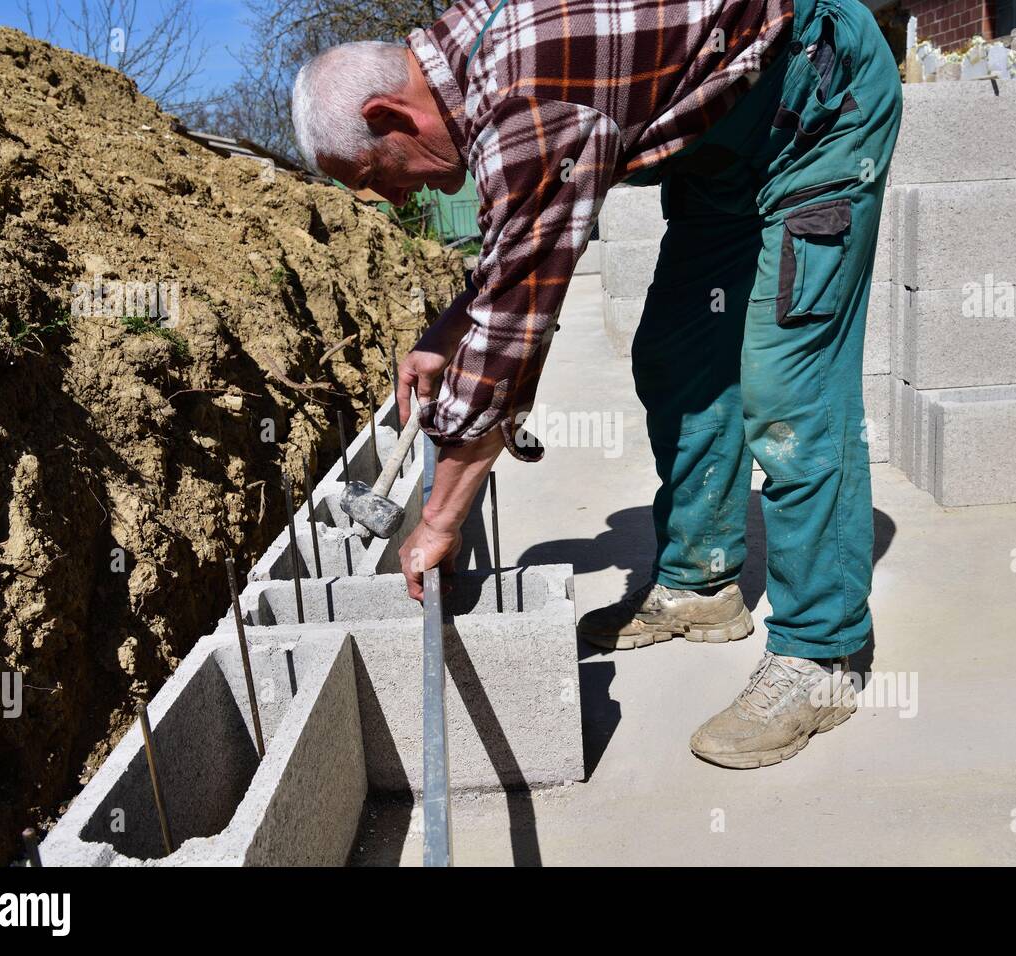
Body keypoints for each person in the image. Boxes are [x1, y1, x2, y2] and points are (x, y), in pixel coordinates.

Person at [290, 0, 902, 769]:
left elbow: (517, 333)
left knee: (790, 389)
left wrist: (440, 517)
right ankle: (699, 584)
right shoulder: (474, 61)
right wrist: (448, 334)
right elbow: (521, 245)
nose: (396, 199)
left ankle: (824, 656)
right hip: (722, 149)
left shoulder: (525, 98)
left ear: (392, 115)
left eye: (377, 176)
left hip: (816, 109)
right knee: (677, 357)